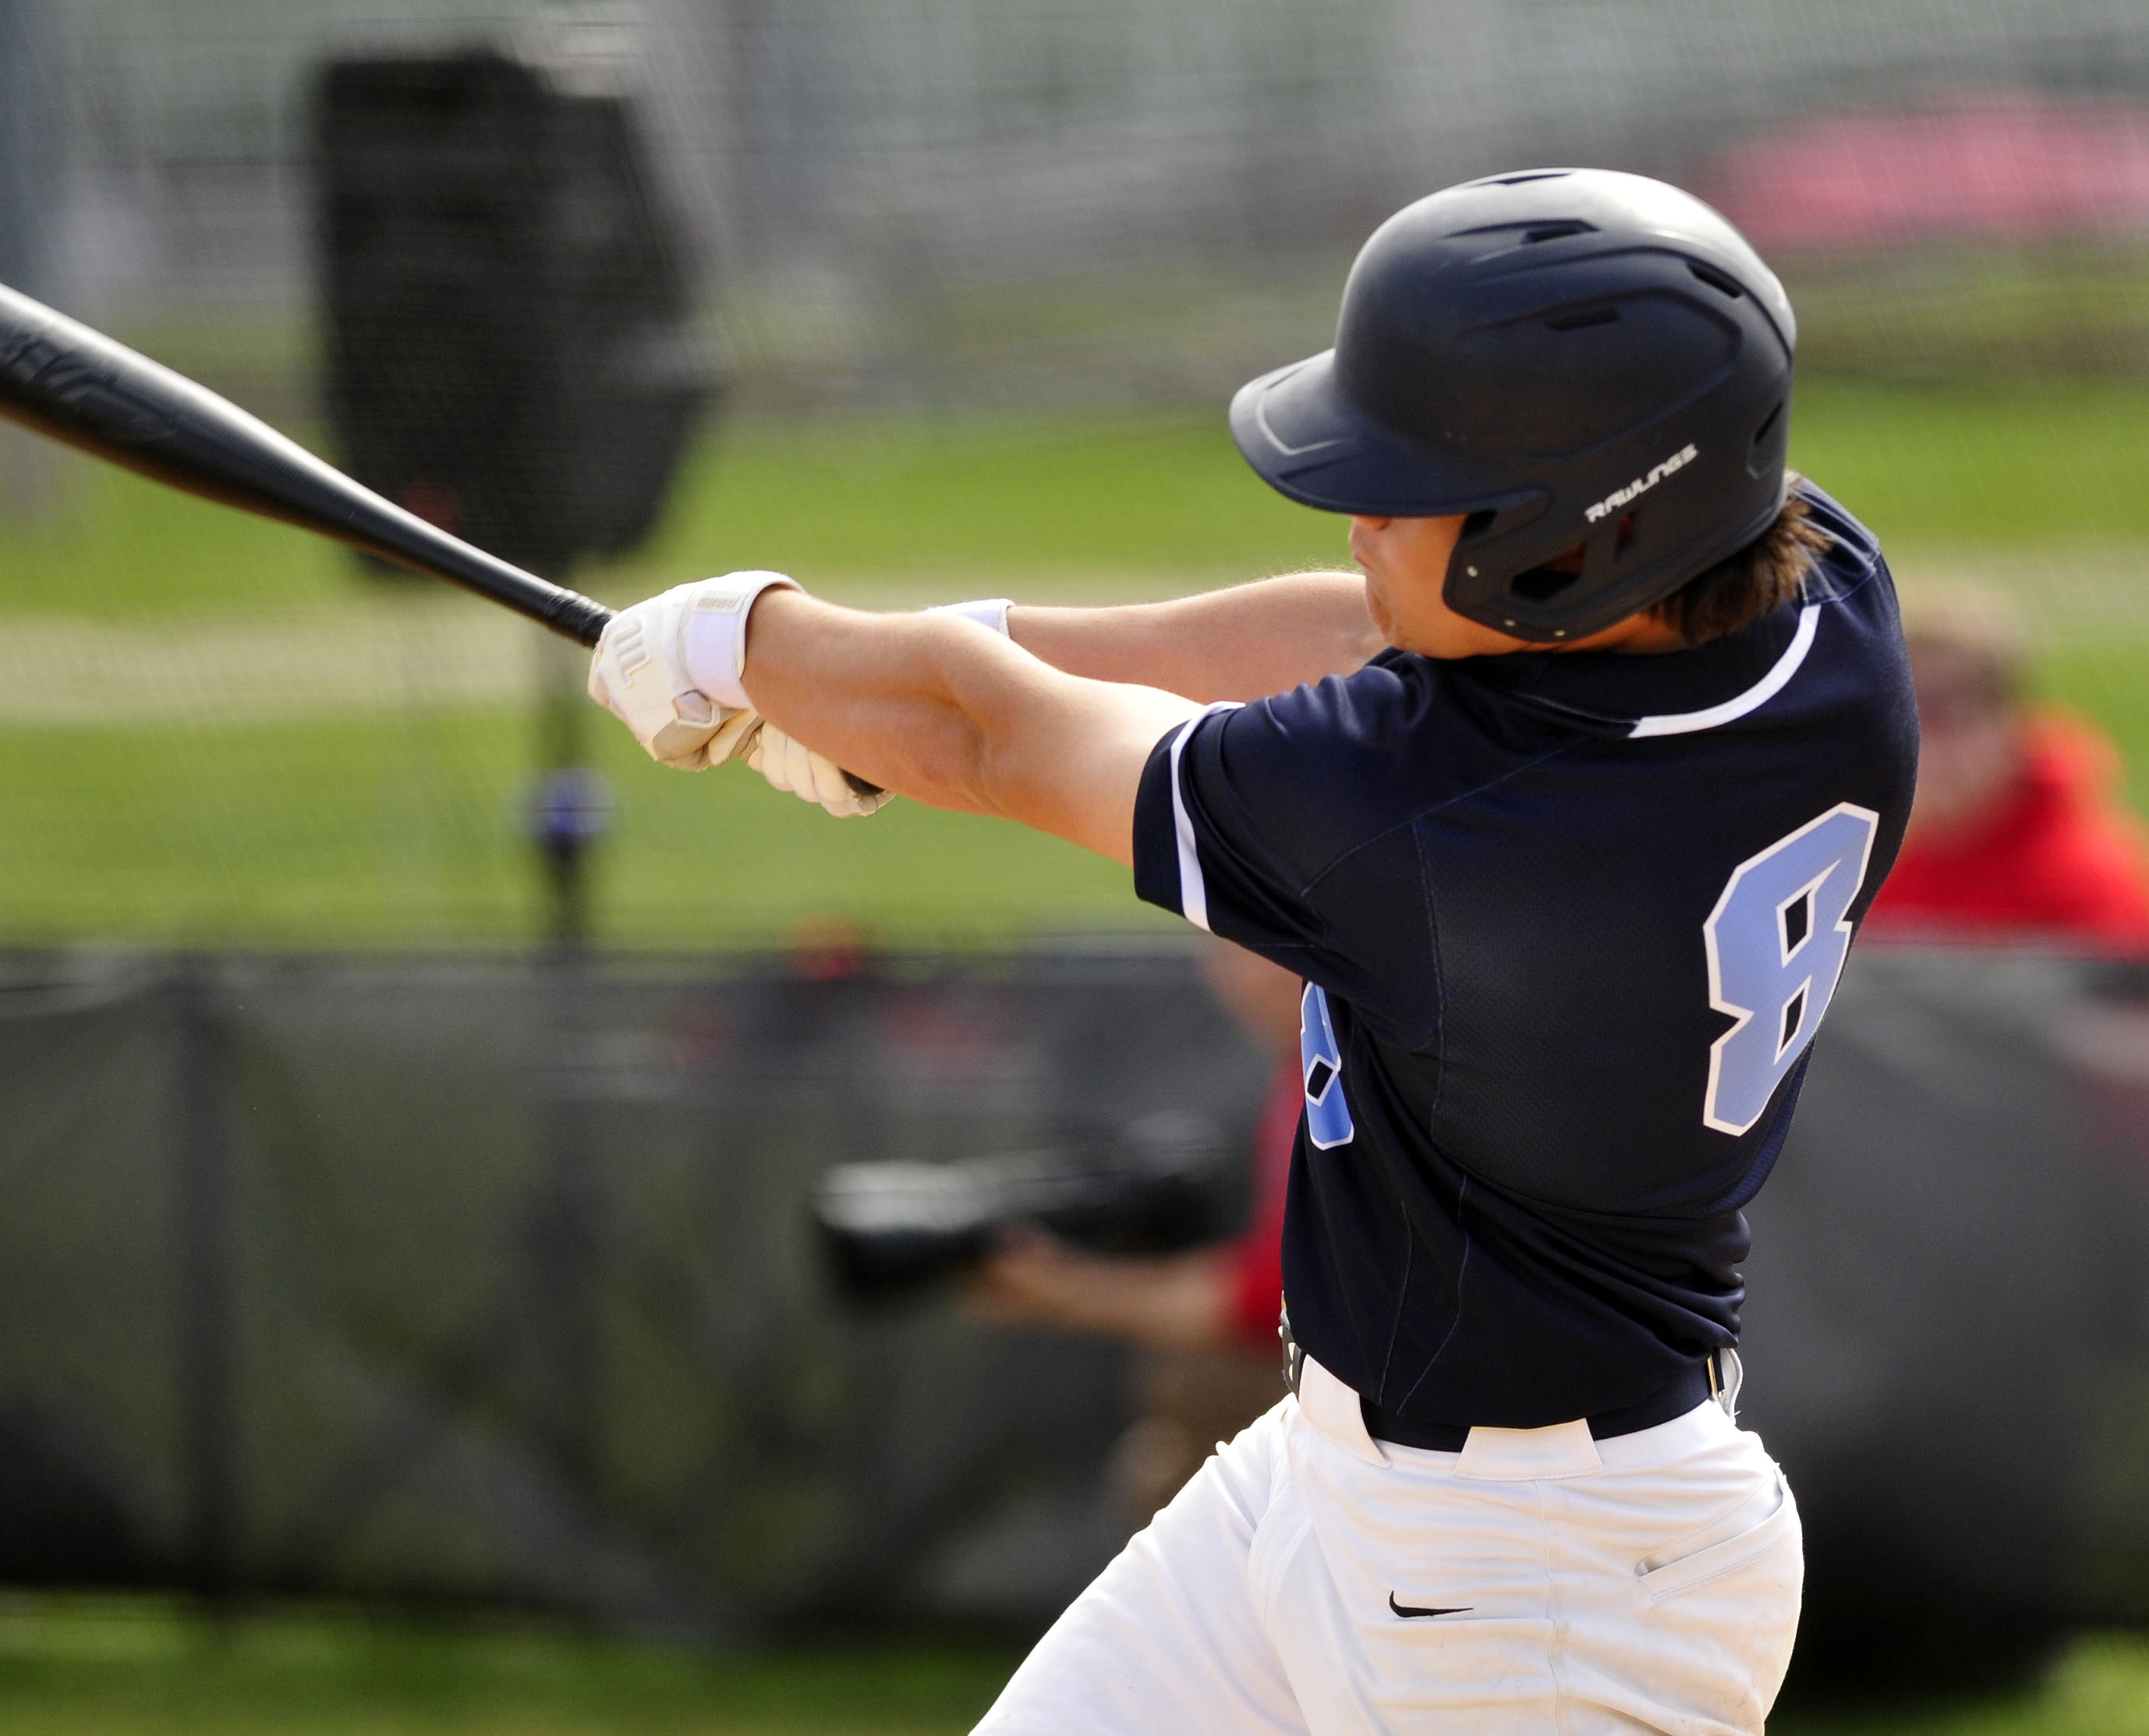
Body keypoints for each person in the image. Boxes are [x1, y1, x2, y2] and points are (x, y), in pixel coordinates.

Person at [589, 169, 1918, 1735]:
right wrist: (897, 671)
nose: (1360, 514)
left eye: (1412, 485)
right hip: (1355, 1488)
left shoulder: (1444, 826)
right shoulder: (1812, 602)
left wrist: (741, 641)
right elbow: (1345, 640)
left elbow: (990, 738)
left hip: (1539, 1606)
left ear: (1569, 545)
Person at [969, 939, 1303, 1524]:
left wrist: (1072, 1293)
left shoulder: (1344, 1068)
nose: (1232, 974)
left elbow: (1279, 1294)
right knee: (1169, 1426)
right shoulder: (1301, 1067)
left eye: (1249, 945)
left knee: (1194, 1393)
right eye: (1221, 948)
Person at [1863, 587, 2149, 951]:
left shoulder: (2086, 881)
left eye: (1956, 720)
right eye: (1913, 722)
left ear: (2011, 723)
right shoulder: (1885, 866)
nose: (1934, 752)